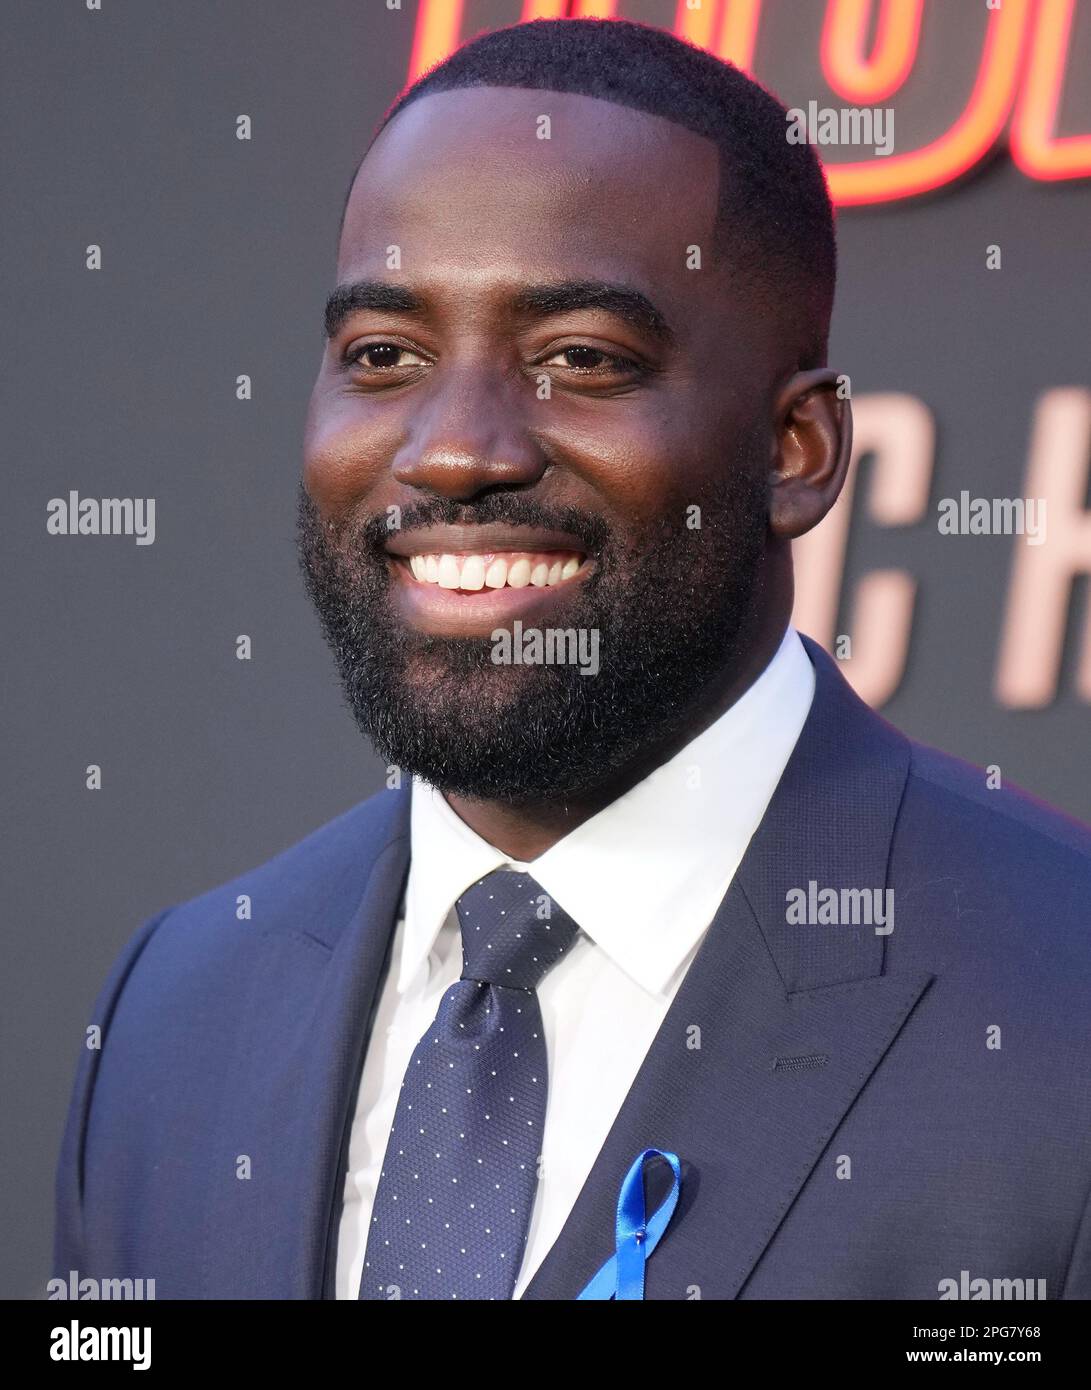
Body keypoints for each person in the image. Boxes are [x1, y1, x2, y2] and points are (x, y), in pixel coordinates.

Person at [54, 17, 1091, 1301]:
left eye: (579, 360)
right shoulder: (174, 1015)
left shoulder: (1061, 1004)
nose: (455, 451)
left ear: (796, 452)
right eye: (385, 356)